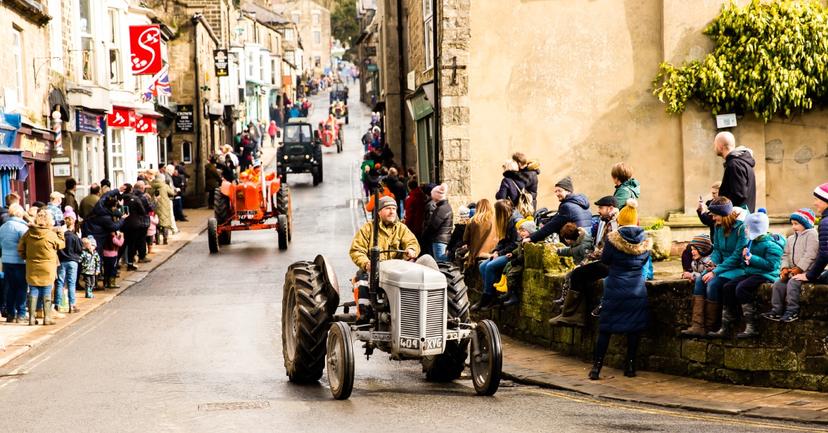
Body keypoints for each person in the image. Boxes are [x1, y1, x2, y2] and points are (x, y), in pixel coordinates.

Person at [588, 201, 651, 380]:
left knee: (606, 328)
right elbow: (644, 261)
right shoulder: (645, 240)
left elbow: (605, 260)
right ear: (636, 220)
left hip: (615, 287)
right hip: (637, 289)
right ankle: (630, 367)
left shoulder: (613, 239)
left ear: (621, 220)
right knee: (634, 329)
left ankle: (596, 368)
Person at [711, 209, 784, 339]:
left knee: (741, 288)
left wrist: (751, 258)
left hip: (766, 275)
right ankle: (727, 325)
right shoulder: (752, 242)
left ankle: (752, 326)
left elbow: (772, 266)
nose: (745, 230)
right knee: (728, 287)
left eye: (747, 228)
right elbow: (746, 262)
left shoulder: (772, 245)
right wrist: (745, 258)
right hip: (752, 272)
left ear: (755, 229)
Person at [349, 196, 420, 320]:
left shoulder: (401, 228)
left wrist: (411, 250)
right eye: (388, 208)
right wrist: (366, 263)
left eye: (394, 208)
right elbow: (356, 250)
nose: (392, 211)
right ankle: (365, 314)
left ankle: (409, 313)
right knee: (362, 278)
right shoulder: (368, 228)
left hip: (397, 270)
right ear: (379, 212)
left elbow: (412, 243)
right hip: (374, 270)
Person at [700, 197, 748, 338]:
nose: (713, 218)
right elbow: (717, 250)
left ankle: (714, 326)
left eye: (715, 215)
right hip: (722, 266)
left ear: (724, 214)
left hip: (738, 268)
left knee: (713, 283)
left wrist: (716, 271)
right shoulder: (718, 227)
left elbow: (737, 256)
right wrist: (712, 262)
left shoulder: (742, 228)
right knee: (699, 280)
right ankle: (699, 326)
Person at [762, 208, 819, 323]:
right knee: (778, 283)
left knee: (793, 283)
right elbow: (785, 255)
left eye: (796, 224)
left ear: (806, 223)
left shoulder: (812, 235)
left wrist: (799, 269)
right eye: (792, 224)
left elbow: (810, 254)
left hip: (807, 271)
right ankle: (776, 310)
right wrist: (784, 268)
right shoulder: (791, 238)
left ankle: (792, 311)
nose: (793, 227)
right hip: (792, 271)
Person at [18, 209, 65, 326]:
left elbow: (20, 248)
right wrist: (61, 233)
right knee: (46, 290)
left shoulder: (28, 233)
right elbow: (61, 245)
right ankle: (47, 318)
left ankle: (32, 318)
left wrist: (26, 257)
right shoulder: (50, 234)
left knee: (33, 290)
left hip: (32, 265)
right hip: (48, 266)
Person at [473, 200, 520, 311]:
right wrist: (496, 251)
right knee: (482, 266)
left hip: (512, 253)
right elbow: (502, 240)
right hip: (504, 251)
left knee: (490, 266)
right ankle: (491, 296)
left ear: (501, 211)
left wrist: (500, 253)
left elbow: (515, 243)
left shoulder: (515, 221)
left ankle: (488, 297)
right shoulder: (507, 219)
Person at [527, 176, 592, 242]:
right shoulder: (581, 203)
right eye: (556, 191)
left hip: (578, 241)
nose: (557, 194)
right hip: (587, 239)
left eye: (559, 191)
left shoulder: (567, 206)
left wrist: (531, 238)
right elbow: (557, 219)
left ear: (568, 191)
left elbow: (552, 226)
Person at [791, 183, 828, 286]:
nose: (814, 203)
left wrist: (810, 275)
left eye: (816, 199)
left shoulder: (825, 223)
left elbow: (825, 254)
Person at [679, 235, 716, 337]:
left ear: (702, 249)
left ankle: (708, 326)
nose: (692, 252)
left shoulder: (709, 261)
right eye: (692, 249)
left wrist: (693, 275)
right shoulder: (694, 262)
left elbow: (705, 274)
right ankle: (697, 324)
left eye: (695, 249)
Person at [714, 131, 756, 212]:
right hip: (742, 216)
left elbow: (738, 195)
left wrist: (720, 207)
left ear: (720, 146)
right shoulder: (741, 163)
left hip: (737, 217)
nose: (714, 147)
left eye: (715, 144)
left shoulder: (735, 164)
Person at [0, 204, 29, 322]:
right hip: (19, 261)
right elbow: (26, 244)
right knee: (21, 287)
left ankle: (10, 313)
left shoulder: (3, 227)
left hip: (6, 261)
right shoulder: (22, 228)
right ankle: (21, 313)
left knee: (11, 288)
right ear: (19, 213)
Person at [55, 212, 82, 314]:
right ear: (73, 224)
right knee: (71, 283)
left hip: (62, 261)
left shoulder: (60, 236)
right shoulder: (74, 237)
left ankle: (57, 304)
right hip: (73, 262)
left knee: (60, 283)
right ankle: (72, 305)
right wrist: (79, 238)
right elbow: (79, 249)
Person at [462, 198, 499, 269]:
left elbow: (465, 239)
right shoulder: (496, 220)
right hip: (492, 254)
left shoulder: (472, 221)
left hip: (476, 255)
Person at [422, 183, 453, 262]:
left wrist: (424, 235)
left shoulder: (441, 209)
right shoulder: (444, 207)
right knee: (441, 263)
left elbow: (433, 226)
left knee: (441, 264)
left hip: (439, 241)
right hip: (442, 239)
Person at [150, 173, 175, 245]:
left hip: (154, 206)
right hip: (164, 207)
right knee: (164, 223)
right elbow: (172, 193)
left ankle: (157, 240)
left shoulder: (151, 185)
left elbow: (149, 194)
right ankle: (165, 239)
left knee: (156, 223)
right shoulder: (165, 186)